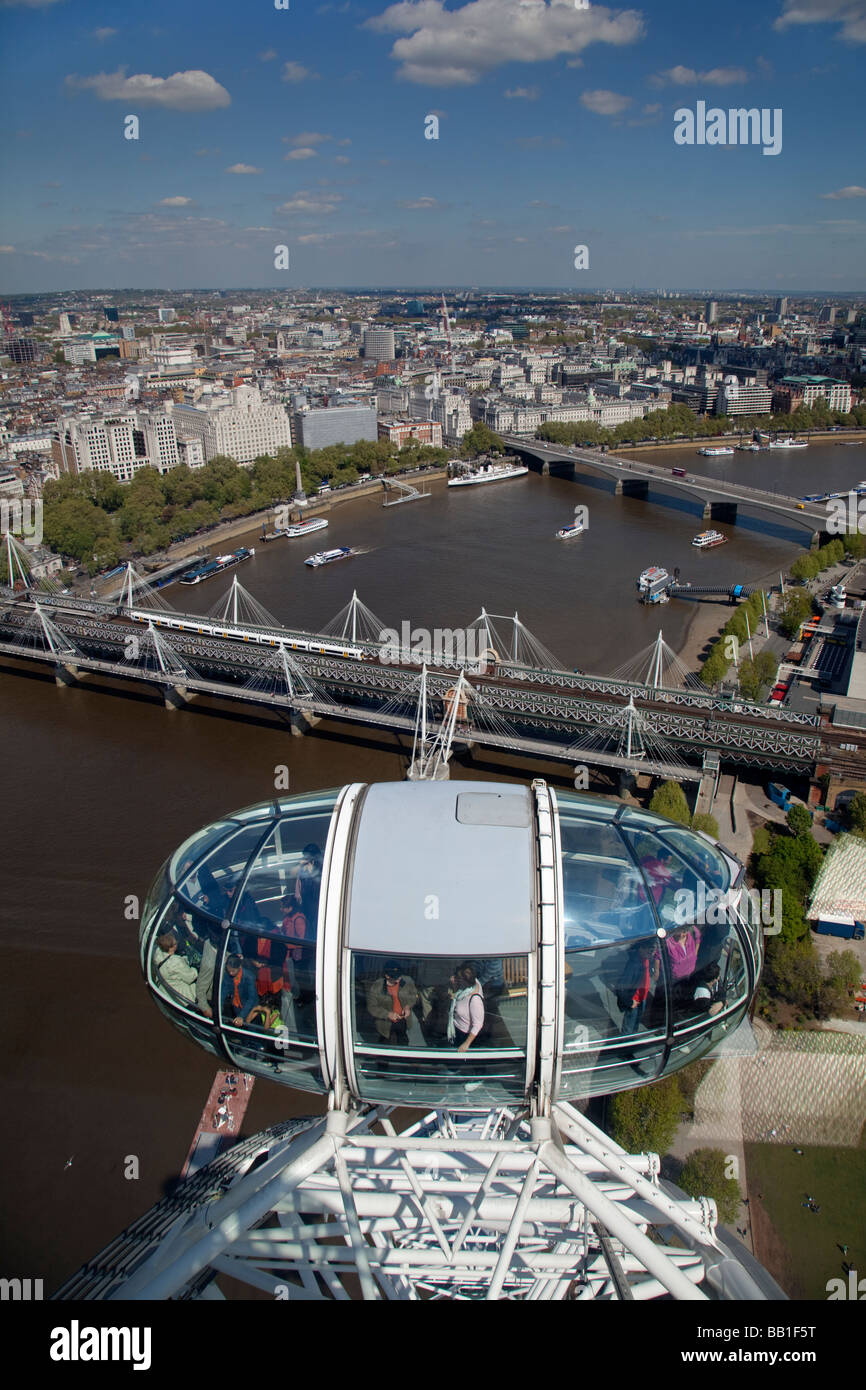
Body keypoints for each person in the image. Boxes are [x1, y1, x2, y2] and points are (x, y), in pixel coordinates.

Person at [366, 962, 420, 1044]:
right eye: (396, 976)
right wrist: (388, 1014)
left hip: (403, 1020)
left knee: (403, 1042)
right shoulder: (376, 986)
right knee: (384, 1043)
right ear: (387, 976)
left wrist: (408, 1006)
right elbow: (372, 1007)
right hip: (385, 1022)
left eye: (400, 975)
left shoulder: (408, 981)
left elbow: (414, 995)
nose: (399, 978)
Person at [616, 939, 660, 1035]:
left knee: (635, 1024)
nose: (652, 954)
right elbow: (621, 988)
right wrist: (630, 1002)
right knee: (629, 1027)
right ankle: (625, 1046)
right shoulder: (633, 964)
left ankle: (631, 1043)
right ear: (641, 949)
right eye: (649, 950)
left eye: (652, 950)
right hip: (634, 999)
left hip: (642, 998)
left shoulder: (645, 959)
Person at [448, 962, 485, 1052]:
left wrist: (466, 1044)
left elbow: (478, 1025)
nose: (454, 979)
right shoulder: (464, 990)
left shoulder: (475, 1000)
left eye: (457, 978)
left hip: (465, 1036)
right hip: (456, 1030)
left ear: (464, 981)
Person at [154, 931, 198, 1004]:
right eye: (175, 943)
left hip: (166, 993)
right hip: (184, 998)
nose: (177, 944)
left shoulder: (158, 953)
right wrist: (194, 967)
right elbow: (191, 977)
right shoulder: (175, 962)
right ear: (171, 948)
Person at [222, 954, 258, 1025]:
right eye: (229, 971)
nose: (231, 973)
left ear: (239, 967)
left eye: (233, 971)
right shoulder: (227, 975)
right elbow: (223, 992)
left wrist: (241, 1016)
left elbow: (251, 999)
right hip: (236, 1005)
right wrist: (218, 1008)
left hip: (250, 1008)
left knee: (251, 1028)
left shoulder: (249, 977)